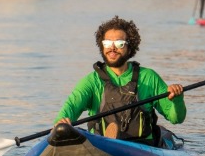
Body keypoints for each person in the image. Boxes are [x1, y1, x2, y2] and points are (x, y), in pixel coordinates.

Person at [56, 16, 185, 145]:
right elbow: (70, 108)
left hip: (144, 149)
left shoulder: (148, 77)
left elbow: (176, 118)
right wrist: (61, 122)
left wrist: (177, 100)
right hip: (101, 147)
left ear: (130, 47)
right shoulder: (92, 81)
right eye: (107, 43)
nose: (112, 48)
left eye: (119, 44)